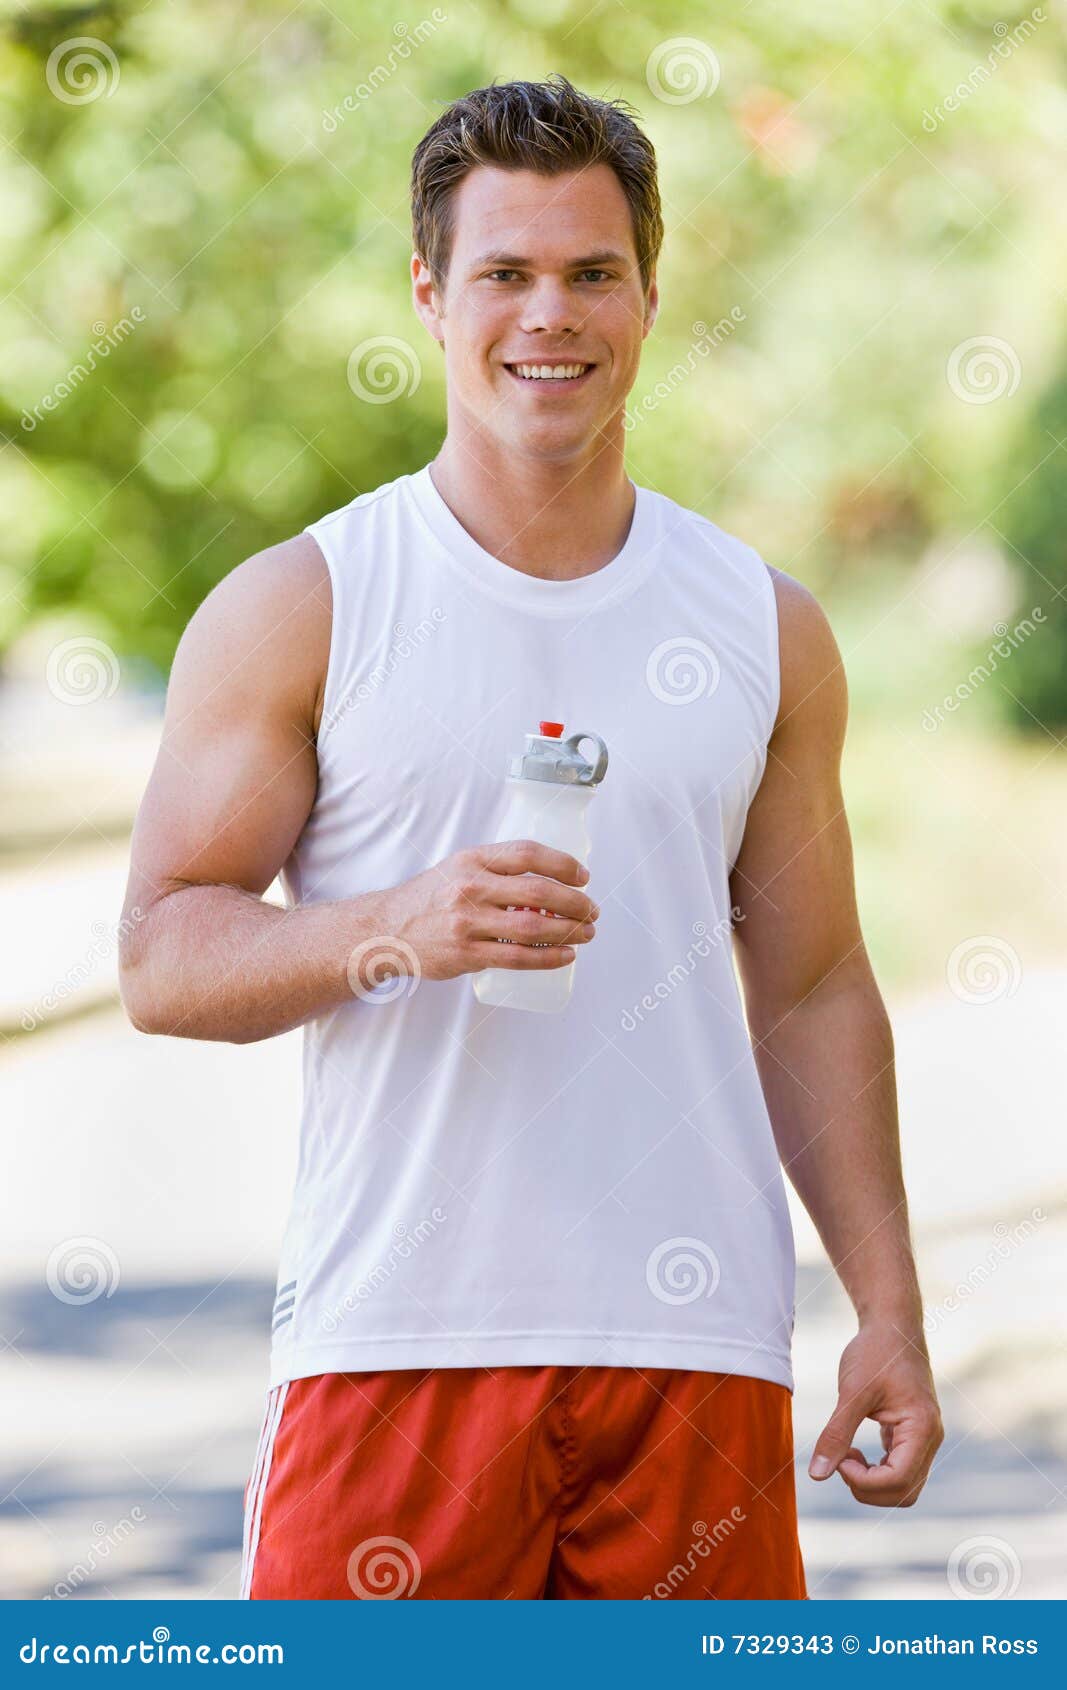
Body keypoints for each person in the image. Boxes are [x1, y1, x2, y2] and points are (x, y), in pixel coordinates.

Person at [117, 74, 943, 1601]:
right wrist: (398, 926)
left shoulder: (765, 626)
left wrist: (887, 1307)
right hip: (399, 1349)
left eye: (591, 272)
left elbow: (816, 983)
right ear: (431, 295)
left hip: (693, 1357)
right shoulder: (309, 603)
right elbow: (165, 954)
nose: (547, 314)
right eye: (504, 271)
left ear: (648, 291)